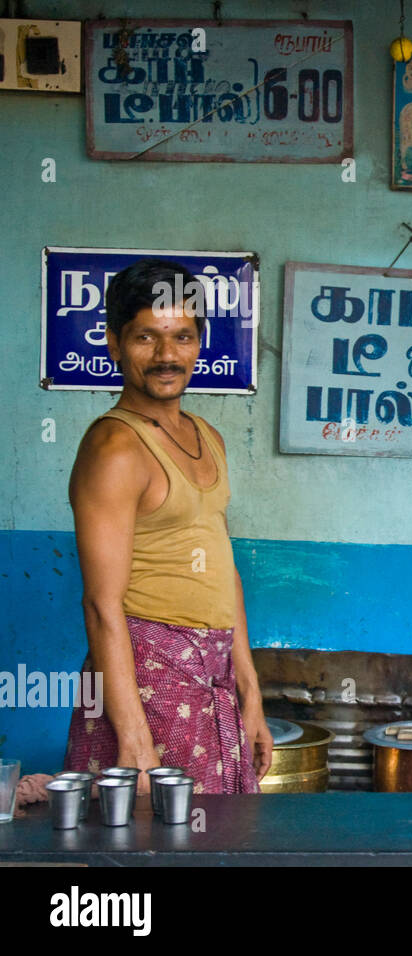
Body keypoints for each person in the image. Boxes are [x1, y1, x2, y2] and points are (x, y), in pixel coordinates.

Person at [64, 258, 271, 794]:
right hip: (145, 677)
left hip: (212, 675)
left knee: (219, 844)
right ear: (113, 343)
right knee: (154, 848)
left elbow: (222, 569)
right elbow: (100, 605)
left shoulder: (208, 436)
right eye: (146, 338)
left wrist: (249, 692)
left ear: (199, 343)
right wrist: (133, 738)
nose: (166, 356)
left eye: (181, 336)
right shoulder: (114, 447)